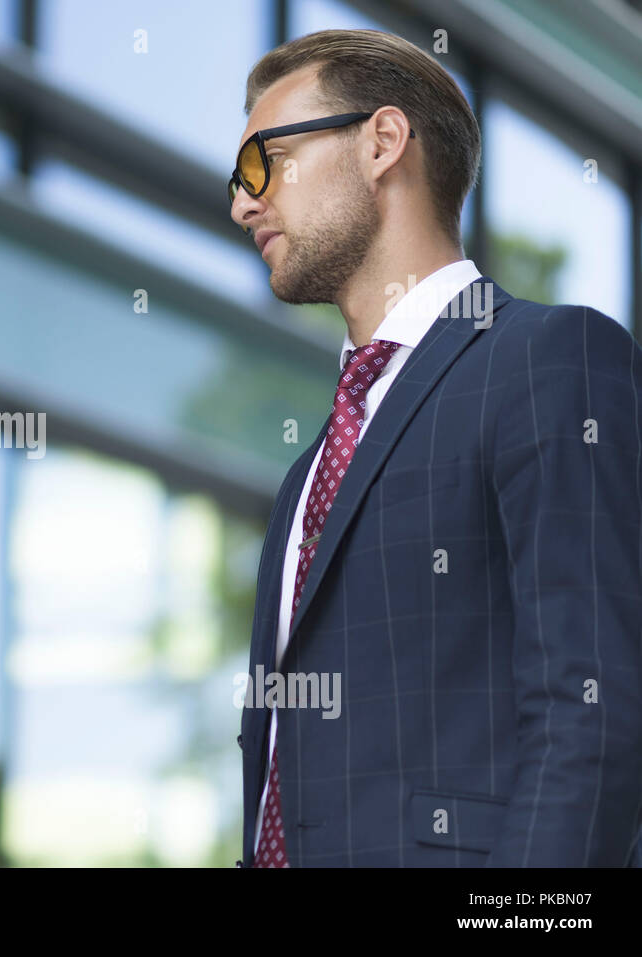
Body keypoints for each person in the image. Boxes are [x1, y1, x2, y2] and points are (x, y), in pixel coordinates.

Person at [229, 29, 642, 867]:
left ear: (382, 142)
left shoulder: (550, 359)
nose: (242, 204)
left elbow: (591, 714)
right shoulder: (307, 476)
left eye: (262, 164)